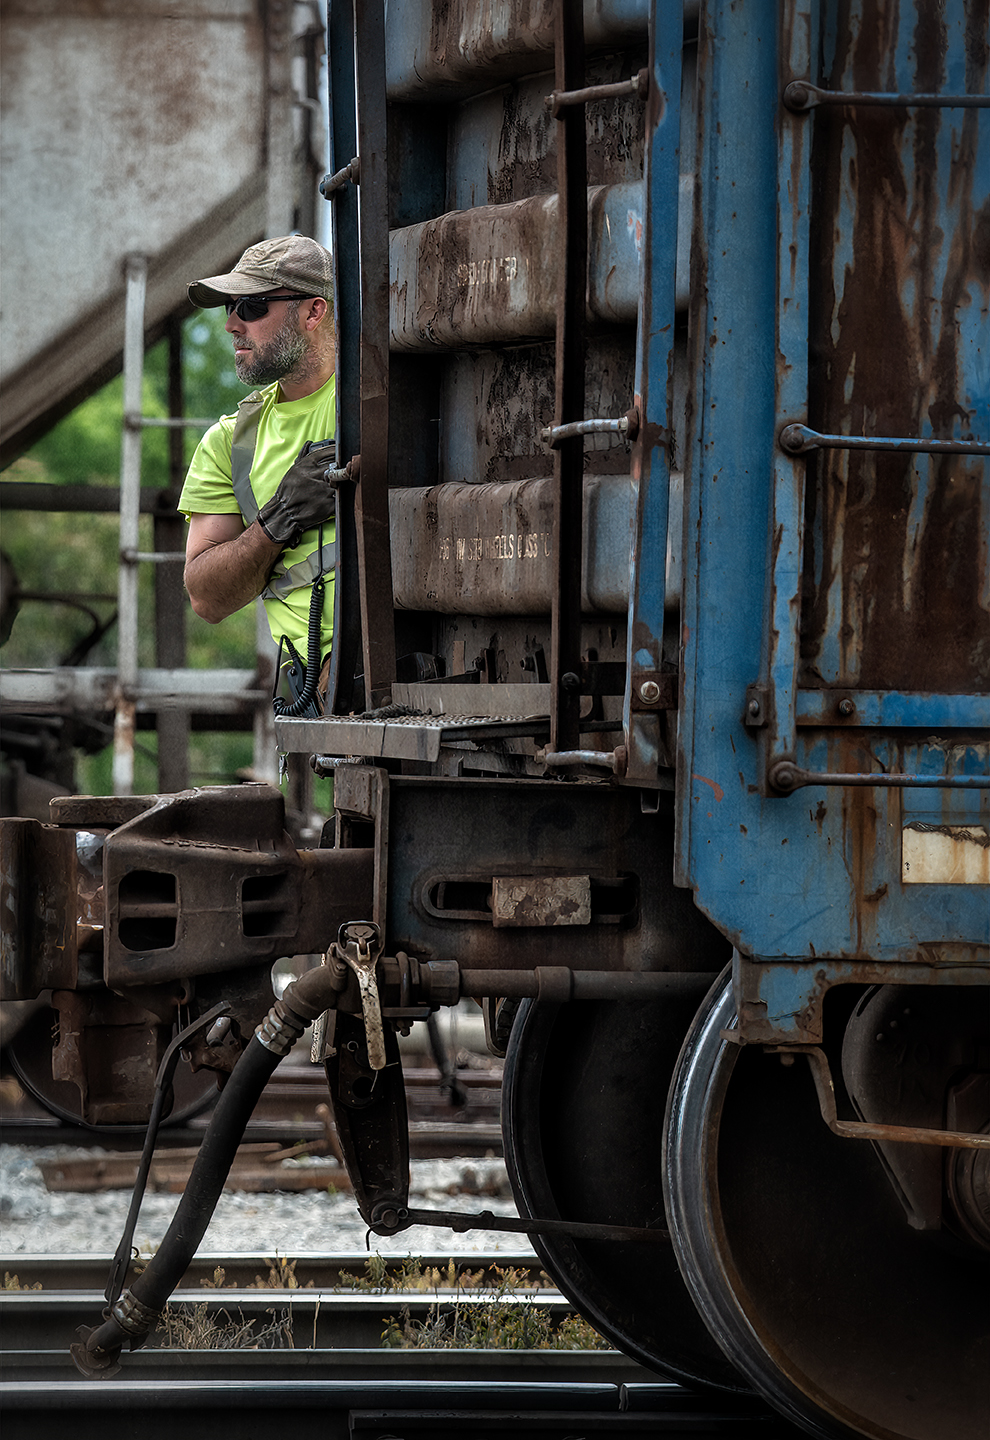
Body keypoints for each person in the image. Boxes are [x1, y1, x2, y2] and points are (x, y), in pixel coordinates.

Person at [178, 234, 338, 715]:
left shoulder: (381, 401)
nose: (230, 324)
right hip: (315, 697)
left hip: (402, 672)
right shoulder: (230, 443)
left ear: (314, 312)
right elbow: (206, 597)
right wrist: (277, 522)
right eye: (230, 307)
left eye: (251, 306)